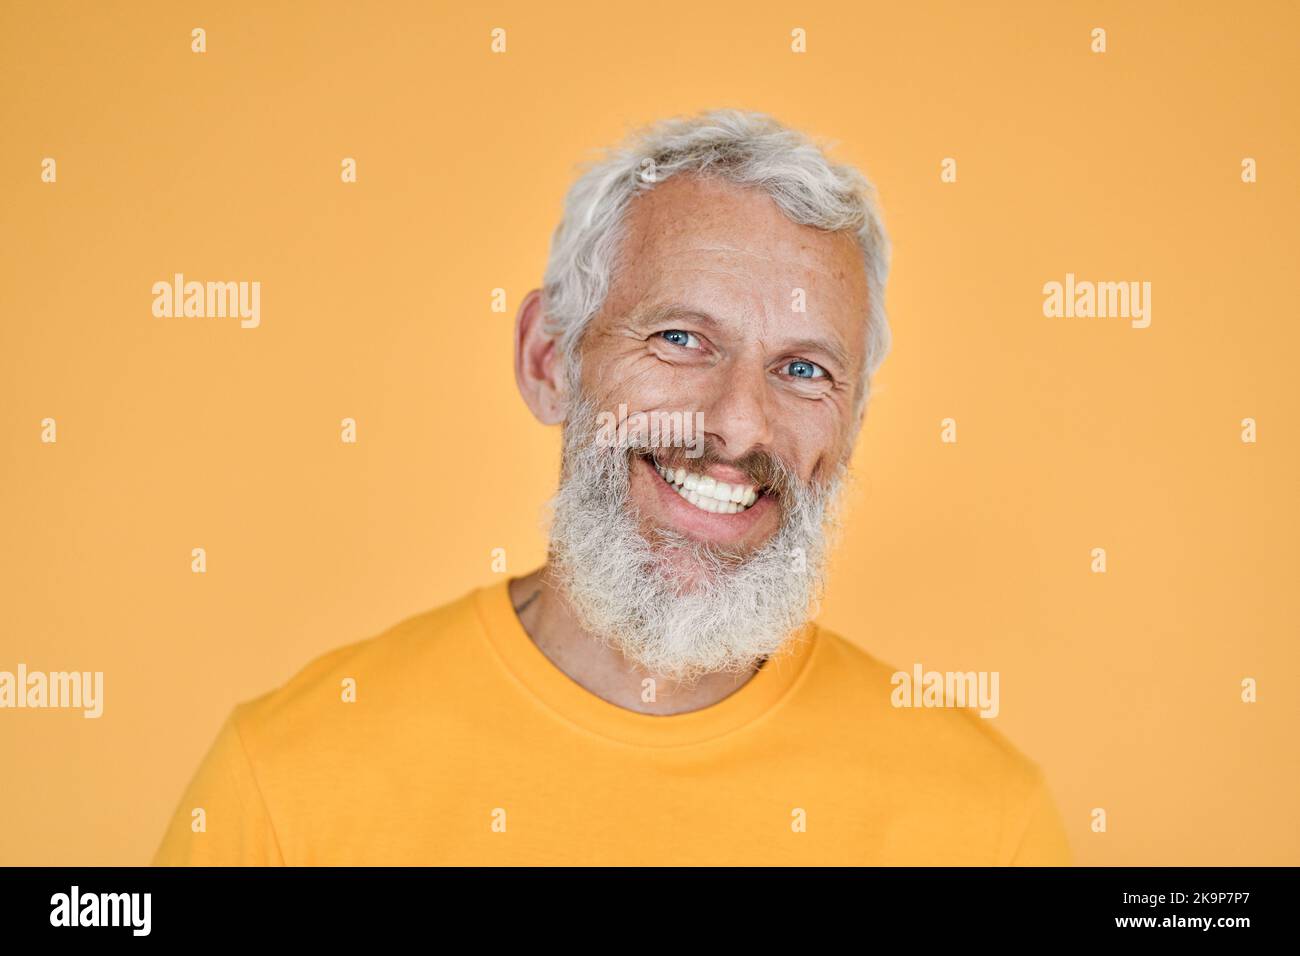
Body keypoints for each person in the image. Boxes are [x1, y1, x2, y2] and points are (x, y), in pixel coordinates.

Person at [153, 109, 1071, 865]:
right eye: (679, 339)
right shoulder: (289, 780)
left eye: (803, 371)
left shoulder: (984, 824)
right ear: (550, 359)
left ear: (853, 424)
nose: (739, 427)